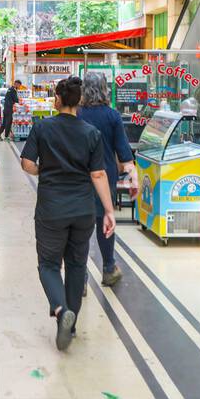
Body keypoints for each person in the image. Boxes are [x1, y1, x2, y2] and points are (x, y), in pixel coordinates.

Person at [20, 76, 116, 351]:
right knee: (76, 265)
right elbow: (98, 174)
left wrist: (43, 171)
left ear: (57, 99)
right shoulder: (91, 133)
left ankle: (61, 310)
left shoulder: (42, 128)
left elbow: (27, 163)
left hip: (51, 208)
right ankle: (70, 328)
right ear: (81, 101)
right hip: (83, 210)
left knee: (48, 264)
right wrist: (108, 211)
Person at [77, 72, 137, 287]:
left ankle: (80, 277)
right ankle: (109, 268)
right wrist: (133, 177)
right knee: (105, 221)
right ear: (105, 89)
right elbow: (123, 152)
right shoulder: (112, 116)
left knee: (81, 226)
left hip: (80, 177)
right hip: (106, 176)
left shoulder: (77, 114)